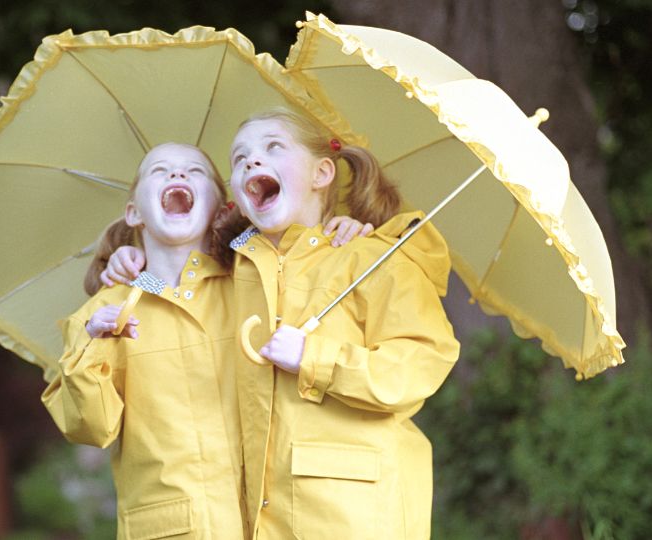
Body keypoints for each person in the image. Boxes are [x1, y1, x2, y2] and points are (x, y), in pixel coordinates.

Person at [105, 109, 460, 539]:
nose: (252, 161)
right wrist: (132, 262)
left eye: (273, 147)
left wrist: (315, 359)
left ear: (322, 172)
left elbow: (420, 363)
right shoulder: (236, 273)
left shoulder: (370, 259)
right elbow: (181, 299)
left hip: (358, 518)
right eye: (239, 158)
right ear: (234, 197)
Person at [41, 142, 248, 540]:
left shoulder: (254, 285)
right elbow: (91, 429)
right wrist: (93, 347)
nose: (177, 175)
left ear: (222, 211)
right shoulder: (102, 315)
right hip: (171, 527)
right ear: (134, 212)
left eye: (196, 171)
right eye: (160, 171)